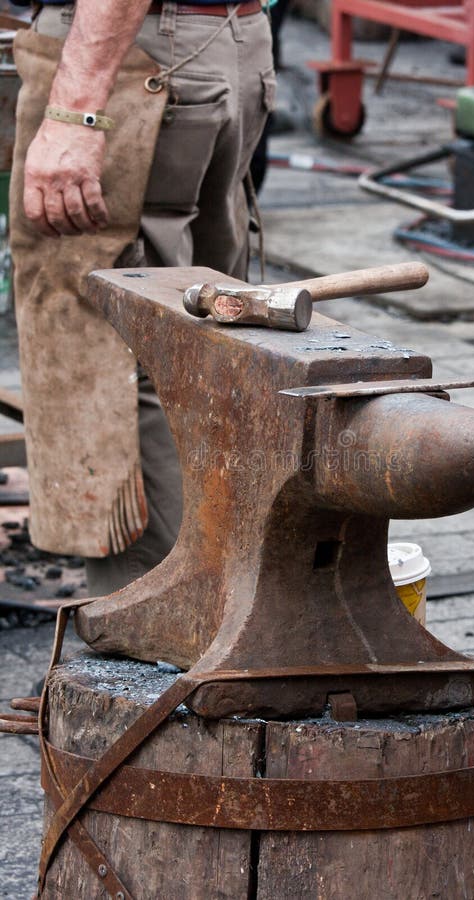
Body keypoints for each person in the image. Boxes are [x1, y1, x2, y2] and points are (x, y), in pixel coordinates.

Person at [10, 0, 275, 595]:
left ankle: (147, 639)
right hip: (225, 39)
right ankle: (227, 614)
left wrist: (76, 112)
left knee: (122, 355)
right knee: (206, 348)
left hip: (133, 56)